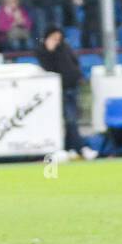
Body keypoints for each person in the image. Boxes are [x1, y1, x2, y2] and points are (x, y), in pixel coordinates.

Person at [36, 27, 97, 160]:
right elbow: (49, 68)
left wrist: (77, 75)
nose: (57, 41)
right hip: (59, 89)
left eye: (58, 38)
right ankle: (81, 148)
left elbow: (74, 62)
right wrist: (50, 51)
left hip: (72, 87)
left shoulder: (65, 47)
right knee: (70, 120)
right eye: (54, 38)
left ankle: (70, 148)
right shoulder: (42, 51)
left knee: (72, 120)